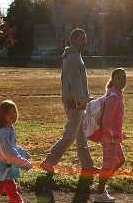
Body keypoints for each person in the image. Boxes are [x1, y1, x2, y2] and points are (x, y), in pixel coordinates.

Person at [40, 28, 97, 175]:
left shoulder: (73, 56)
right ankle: (49, 162)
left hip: (75, 102)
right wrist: (82, 100)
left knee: (80, 135)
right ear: (74, 40)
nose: (85, 41)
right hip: (75, 104)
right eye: (82, 38)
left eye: (85, 38)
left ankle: (87, 166)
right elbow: (75, 84)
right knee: (70, 136)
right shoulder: (73, 59)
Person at [93, 68, 126, 203]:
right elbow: (107, 121)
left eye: (124, 78)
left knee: (119, 161)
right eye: (118, 78)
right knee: (108, 166)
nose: (122, 81)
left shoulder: (115, 94)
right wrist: (113, 135)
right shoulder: (113, 97)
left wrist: (119, 134)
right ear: (112, 80)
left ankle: (101, 185)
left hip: (114, 138)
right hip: (109, 139)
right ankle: (100, 193)